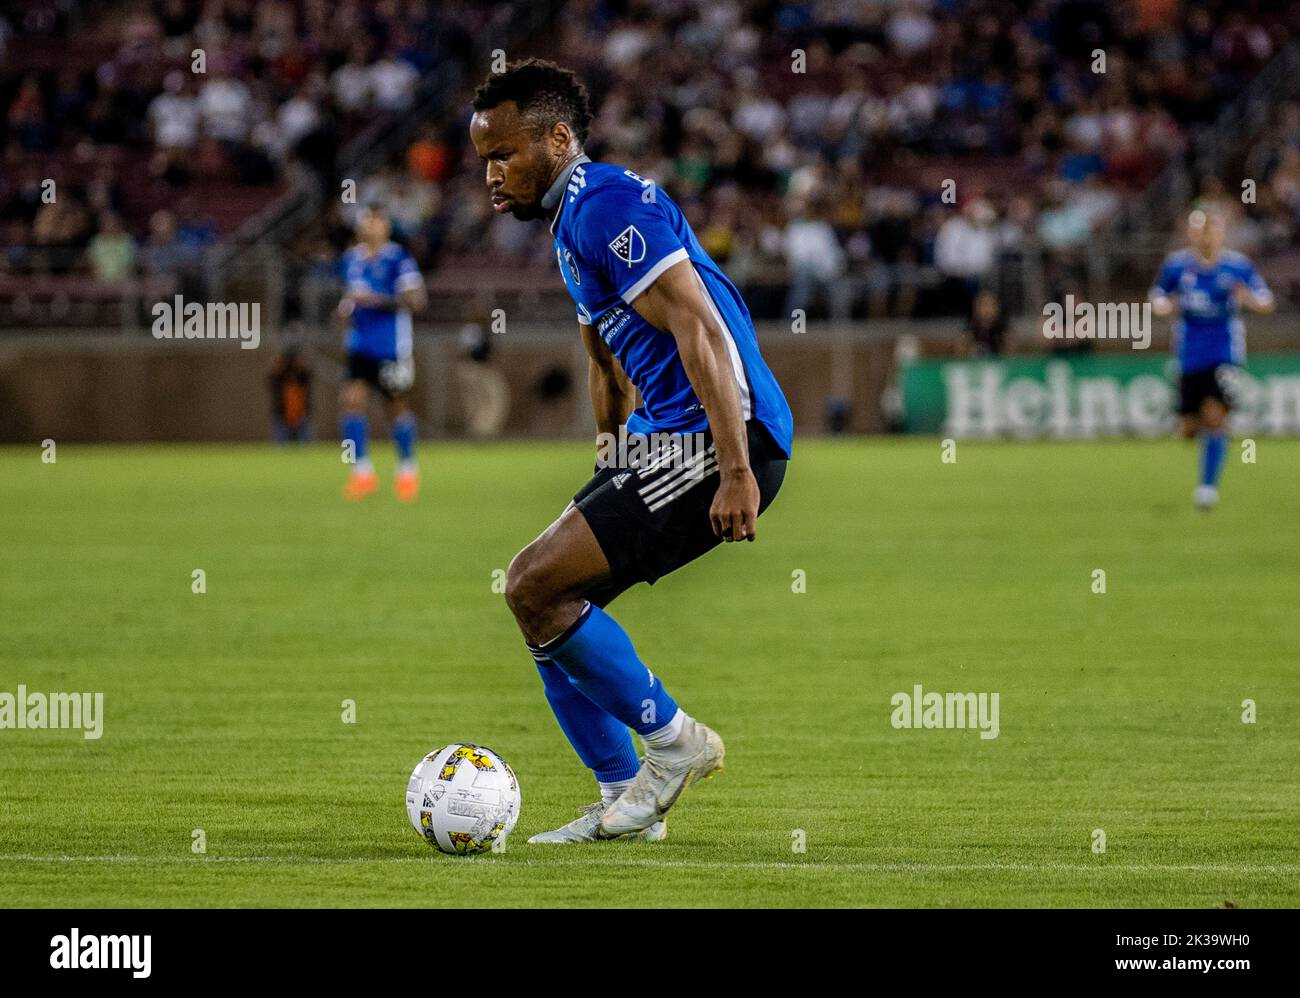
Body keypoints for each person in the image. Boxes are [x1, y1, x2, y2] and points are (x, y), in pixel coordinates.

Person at [469, 59, 793, 843]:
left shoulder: (606, 200)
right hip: (662, 441)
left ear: (558, 137)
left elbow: (699, 327)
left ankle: (674, 747)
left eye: (505, 153)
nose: (492, 174)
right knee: (544, 603)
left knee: (531, 585)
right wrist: (611, 455)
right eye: (484, 160)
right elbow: (604, 362)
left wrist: (738, 469)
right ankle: (626, 800)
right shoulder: (569, 222)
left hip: (718, 438)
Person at [1149, 208, 1273, 510]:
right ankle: (1197, 432)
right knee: (1188, 429)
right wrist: (1165, 306)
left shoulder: (1238, 267)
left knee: (1216, 417)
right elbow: (1157, 297)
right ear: (1191, 234)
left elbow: (1266, 301)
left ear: (1220, 234)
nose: (1206, 235)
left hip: (1224, 353)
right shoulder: (1177, 266)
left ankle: (1207, 489)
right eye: (1200, 230)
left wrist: (1249, 299)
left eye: (1211, 230)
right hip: (1189, 353)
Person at [338, 204, 427, 501]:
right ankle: (361, 472)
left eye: (376, 220)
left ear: (386, 226)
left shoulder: (397, 258)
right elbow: (349, 300)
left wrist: (376, 300)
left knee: (395, 407)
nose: (370, 225)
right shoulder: (351, 260)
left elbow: (417, 301)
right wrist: (345, 310)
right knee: (352, 401)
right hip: (359, 344)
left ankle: (407, 470)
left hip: (391, 345)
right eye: (366, 220)